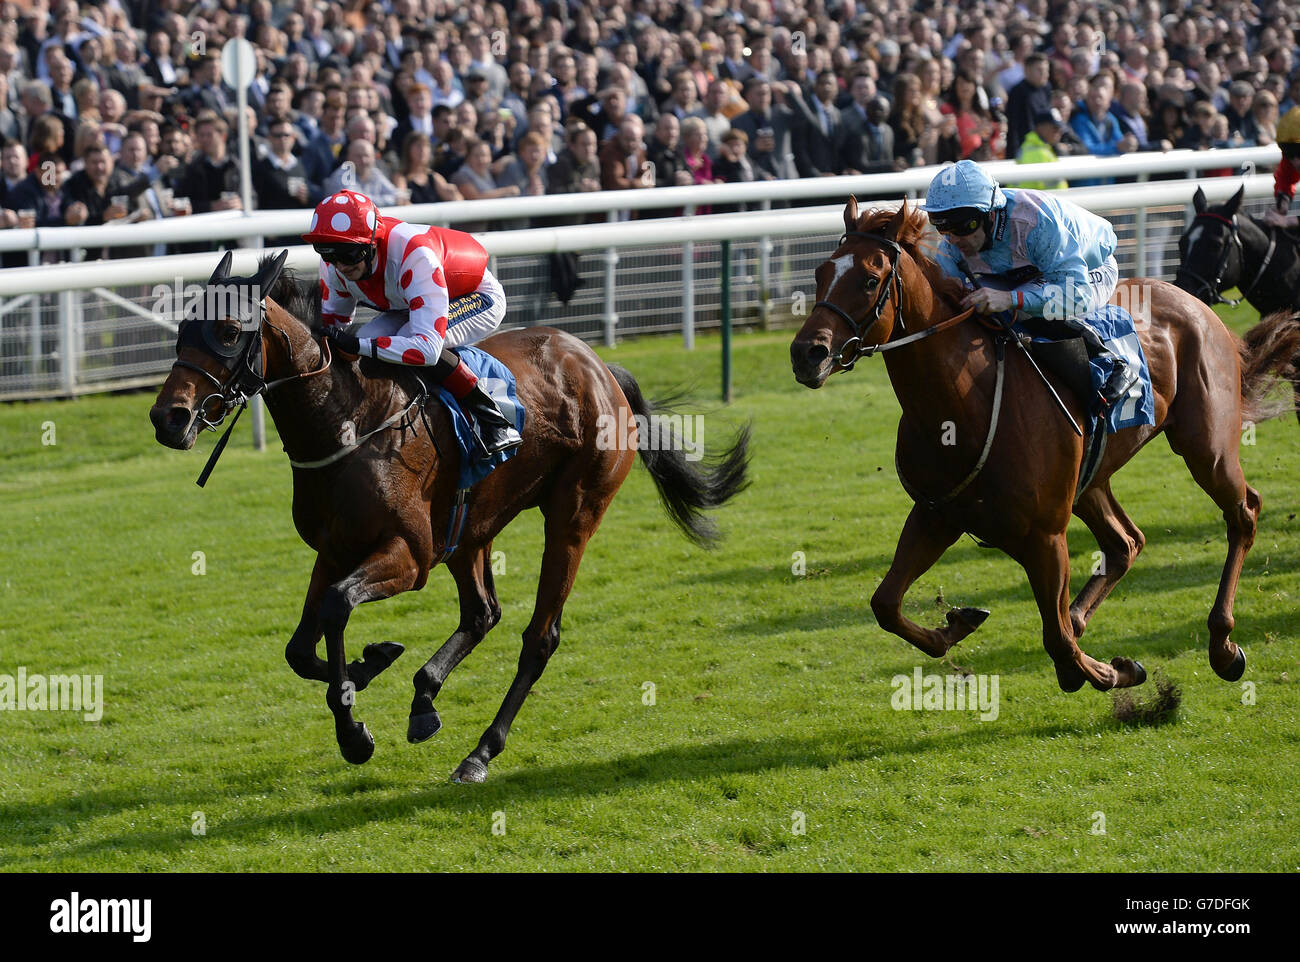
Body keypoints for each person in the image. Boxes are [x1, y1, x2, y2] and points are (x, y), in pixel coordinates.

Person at [301, 190, 522, 457]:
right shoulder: (335, 267)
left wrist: (360, 345)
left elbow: (426, 348)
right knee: (369, 338)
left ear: (372, 242)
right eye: (328, 254)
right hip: (410, 302)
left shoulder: (415, 255)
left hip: (474, 296)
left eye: (348, 254)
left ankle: (493, 420)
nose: (340, 266)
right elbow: (331, 326)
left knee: (404, 342)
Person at [921, 160, 1137, 409]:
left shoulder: (1036, 224)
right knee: (970, 302)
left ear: (991, 213)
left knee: (1016, 306)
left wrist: (1012, 299)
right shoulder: (951, 244)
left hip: (1089, 272)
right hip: (1020, 273)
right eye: (943, 228)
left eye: (964, 226)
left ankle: (1111, 361)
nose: (954, 239)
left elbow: (1076, 295)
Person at [1264, 106, 1300, 231]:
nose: (1295, 161)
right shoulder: (1291, 158)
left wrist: (1291, 221)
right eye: (1289, 153)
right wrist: (1282, 201)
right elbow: (1285, 178)